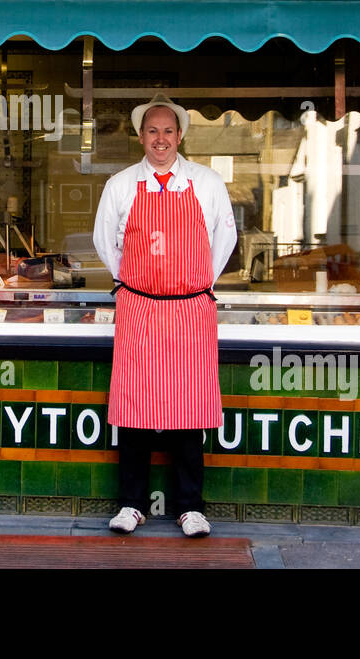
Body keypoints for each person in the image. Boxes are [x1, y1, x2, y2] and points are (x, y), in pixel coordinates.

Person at [92, 94, 236, 538]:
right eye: (152, 130)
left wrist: (193, 285)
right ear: (141, 137)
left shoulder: (207, 182)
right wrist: (135, 283)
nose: (161, 138)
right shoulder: (120, 184)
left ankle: (190, 507)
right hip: (138, 308)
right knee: (135, 409)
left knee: (189, 411)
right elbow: (104, 242)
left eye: (168, 130)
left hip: (191, 310)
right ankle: (132, 505)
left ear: (180, 136)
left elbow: (224, 240)